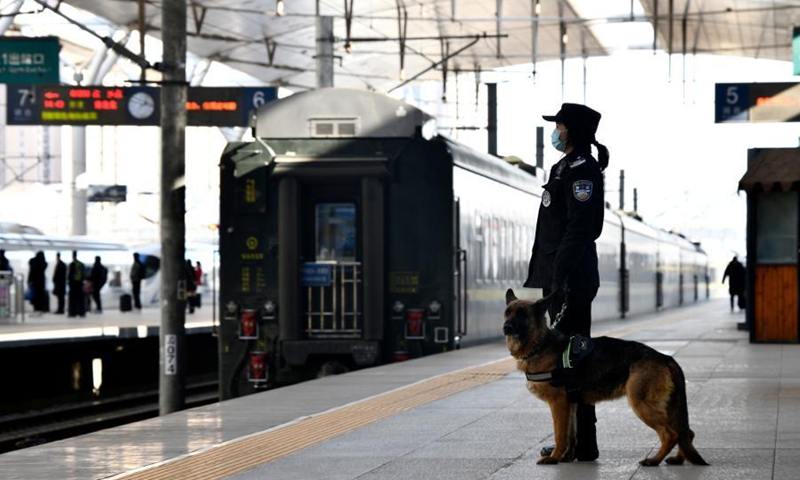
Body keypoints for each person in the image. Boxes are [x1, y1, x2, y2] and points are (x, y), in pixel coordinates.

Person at [522, 102, 609, 462]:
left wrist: (560, 276)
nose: (555, 132)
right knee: (566, 362)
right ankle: (574, 441)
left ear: (571, 130)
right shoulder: (564, 168)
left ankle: (581, 443)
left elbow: (580, 228)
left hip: (569, 279)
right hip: (560, 276)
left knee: (572, 362)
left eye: (558, 126)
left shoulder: (582, 169)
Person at [67, 250, 86, 318]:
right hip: (80, 284)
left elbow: (70, 275)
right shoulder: (81, 264)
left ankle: (73, 313)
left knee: (73, 299)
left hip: (74, 284)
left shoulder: (72, 264)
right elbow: (84, 275)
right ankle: (81, 312)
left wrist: (69, 282)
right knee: (81, 299)